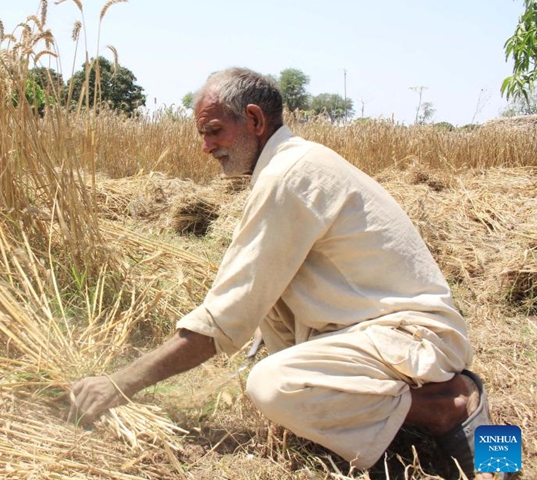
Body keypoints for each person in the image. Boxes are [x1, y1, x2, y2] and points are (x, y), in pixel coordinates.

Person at [70, 67, 498, 480]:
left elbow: (224, 318)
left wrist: (121, 382)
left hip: (413, 336)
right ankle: (427, 411)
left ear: (254, 119)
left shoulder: (288, 176)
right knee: (276, 330)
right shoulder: (292, 165)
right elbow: (254, 294)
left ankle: (450, 404)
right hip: (377, 334)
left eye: (214, 130)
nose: (206, 147)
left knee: (274, 385)